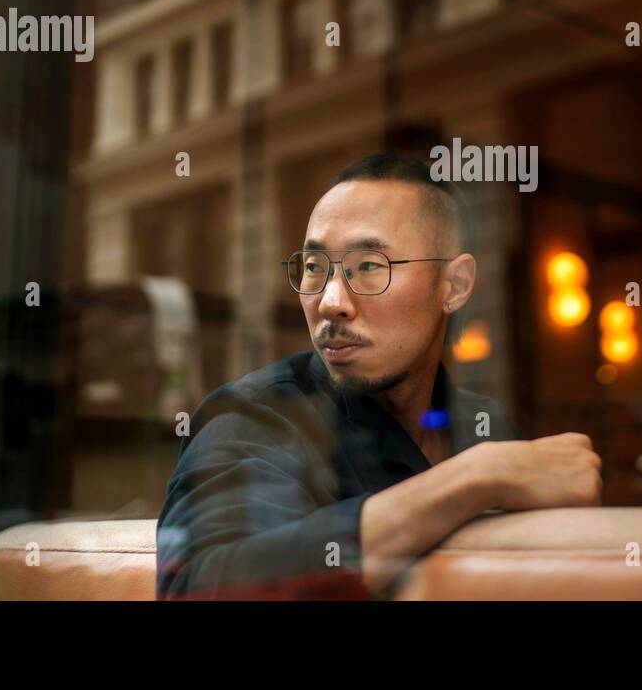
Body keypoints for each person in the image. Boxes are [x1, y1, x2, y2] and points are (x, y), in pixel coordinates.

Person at [156, 153, 602, 598]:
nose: (331, 301)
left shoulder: (482, 423)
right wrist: (474, 479)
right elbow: (197, 585)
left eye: (369, 266)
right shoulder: (259, 417)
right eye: (315, 268)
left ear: (455, 285)